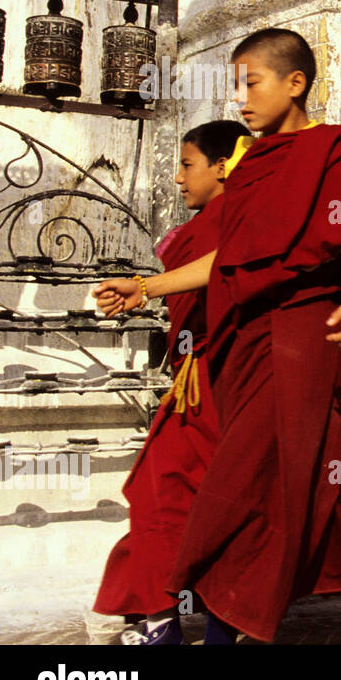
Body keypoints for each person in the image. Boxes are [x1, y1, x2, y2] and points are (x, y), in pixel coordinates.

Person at [93, 29, 341, 644]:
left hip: (305, 337)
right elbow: (230, 258)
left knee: (244, 481)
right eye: (236, 85)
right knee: (293, 483)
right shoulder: (254, 164)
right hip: (245, 340)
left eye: (251, 82)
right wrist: (146, 288)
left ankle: (227, 626)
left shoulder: (334, 153)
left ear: (296, 83)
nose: (240, 98)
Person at [93, 119, 249, 644]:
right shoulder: (213, 221)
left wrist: (145, 286)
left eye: (187, 165)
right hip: (208, 380)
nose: (179, 179)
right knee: (193, 500)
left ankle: (163, 623)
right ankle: (199, 625)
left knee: (160, 493)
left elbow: (226, 265)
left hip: (210, 383)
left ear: (223, 167)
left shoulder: (233, 220)